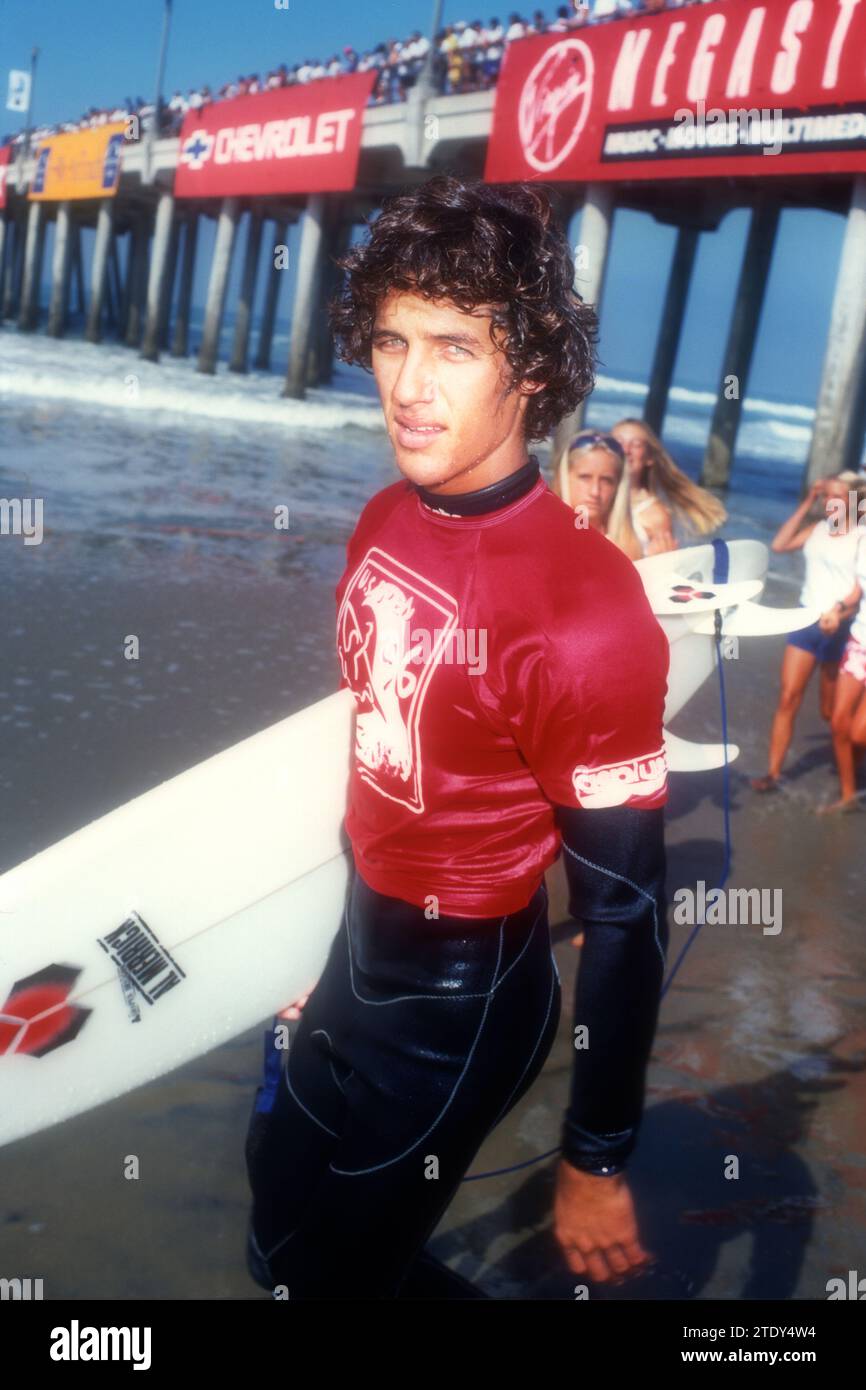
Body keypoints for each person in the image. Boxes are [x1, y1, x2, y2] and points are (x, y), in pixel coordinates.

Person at [244, 174, 670, 1301]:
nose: (408, 388)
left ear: (528, 368)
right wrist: (318, 952)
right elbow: (386, 766)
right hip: (356, 957)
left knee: (323, 1283)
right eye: (390, 342)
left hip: (458, 1002)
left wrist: (595, 1156)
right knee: (274, 1234)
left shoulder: (582, 607)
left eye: (452, 347)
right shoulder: (387, 516)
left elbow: (626, 911)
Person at [749, 474, 864, 796]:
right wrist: (807, 501)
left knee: (829, 711)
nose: (830, 503)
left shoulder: (860, 538)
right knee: (788, 697)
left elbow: (860, 590)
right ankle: (773, 773)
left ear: (853, 501)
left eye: (837, 497)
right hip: (806, 619)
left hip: (839, 627)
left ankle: (849, 753)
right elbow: (779, 544)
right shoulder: (817, 530)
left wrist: (839, 612)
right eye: (826, 497)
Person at [611, 417, 726, 555]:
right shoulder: (593, 495)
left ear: (649, 458)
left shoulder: (655, 515)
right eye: (618, 442)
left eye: (636, 445)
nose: (626, 450)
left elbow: (662, 567)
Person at [552, 428, 642, 559]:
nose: (595, 491)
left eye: (606, 480)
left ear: (618, 486)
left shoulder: (628, 550)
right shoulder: (541, 535)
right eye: (585, 477)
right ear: (565, 477)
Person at [825, 526, 866, 812]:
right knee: (839, 722)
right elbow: (857, 589)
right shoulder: (863, 539)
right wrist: (837, 608)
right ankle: (848, 795)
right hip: (859, 641)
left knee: (859, 734)